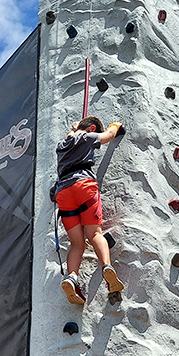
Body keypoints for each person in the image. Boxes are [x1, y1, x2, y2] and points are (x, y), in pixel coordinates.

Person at [54, 116, 125, 305]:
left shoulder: (62, 145)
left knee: (77, 243)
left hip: (64, 193)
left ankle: (72, 277)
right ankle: (106, 266)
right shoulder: (87, 138)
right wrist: (116, 125)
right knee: (94, 233)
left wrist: (75, 128)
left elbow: (71, 135)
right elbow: (109, 135)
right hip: (83, 186)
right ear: (92, 129)